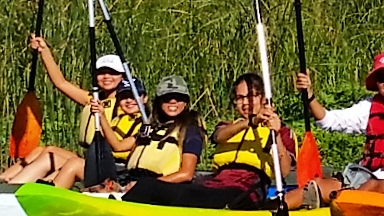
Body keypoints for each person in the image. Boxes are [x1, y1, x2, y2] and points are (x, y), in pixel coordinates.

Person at [119, 73, 296, 209]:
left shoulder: (282, 131)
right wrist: (251, 122)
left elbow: (285, 170)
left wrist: (276, 134)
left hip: (245, 189)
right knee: (148, 187)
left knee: (151, 186)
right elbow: (219, 136)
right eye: (240, 98)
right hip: (215, 184)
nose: (245, 103)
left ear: (263, 98)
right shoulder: (228, 126)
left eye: (251, 96)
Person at [294, 51, 384, 202]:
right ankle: (274, 211)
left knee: (375, 186)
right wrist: (309, 96)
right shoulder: (369, 107)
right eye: (381, 78)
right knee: (316, 185)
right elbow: (329, 120)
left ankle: (343, 204)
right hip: (367, 174)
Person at [0, 38, 144, 188]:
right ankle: (2, 180)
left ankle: (14, 187)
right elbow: (61, 83)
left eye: (113, 73)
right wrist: (44, 51)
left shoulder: (129, 104)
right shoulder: (93, 99)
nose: (107, 77)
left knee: (57, 158)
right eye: (102, 73)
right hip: (94, 159)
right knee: (46, 150)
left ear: (123, 76)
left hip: (110, 166)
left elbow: (121, 143)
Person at [118, 75, 205, 200]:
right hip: (133, 181)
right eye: (167, 98)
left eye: (179, 98)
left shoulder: (190, 131)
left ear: (185, 103)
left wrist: (145, 187)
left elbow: (186, 174)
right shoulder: (152, 127)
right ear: (159, 101)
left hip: (160, 188)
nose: (173, 102)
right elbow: (118, 146)